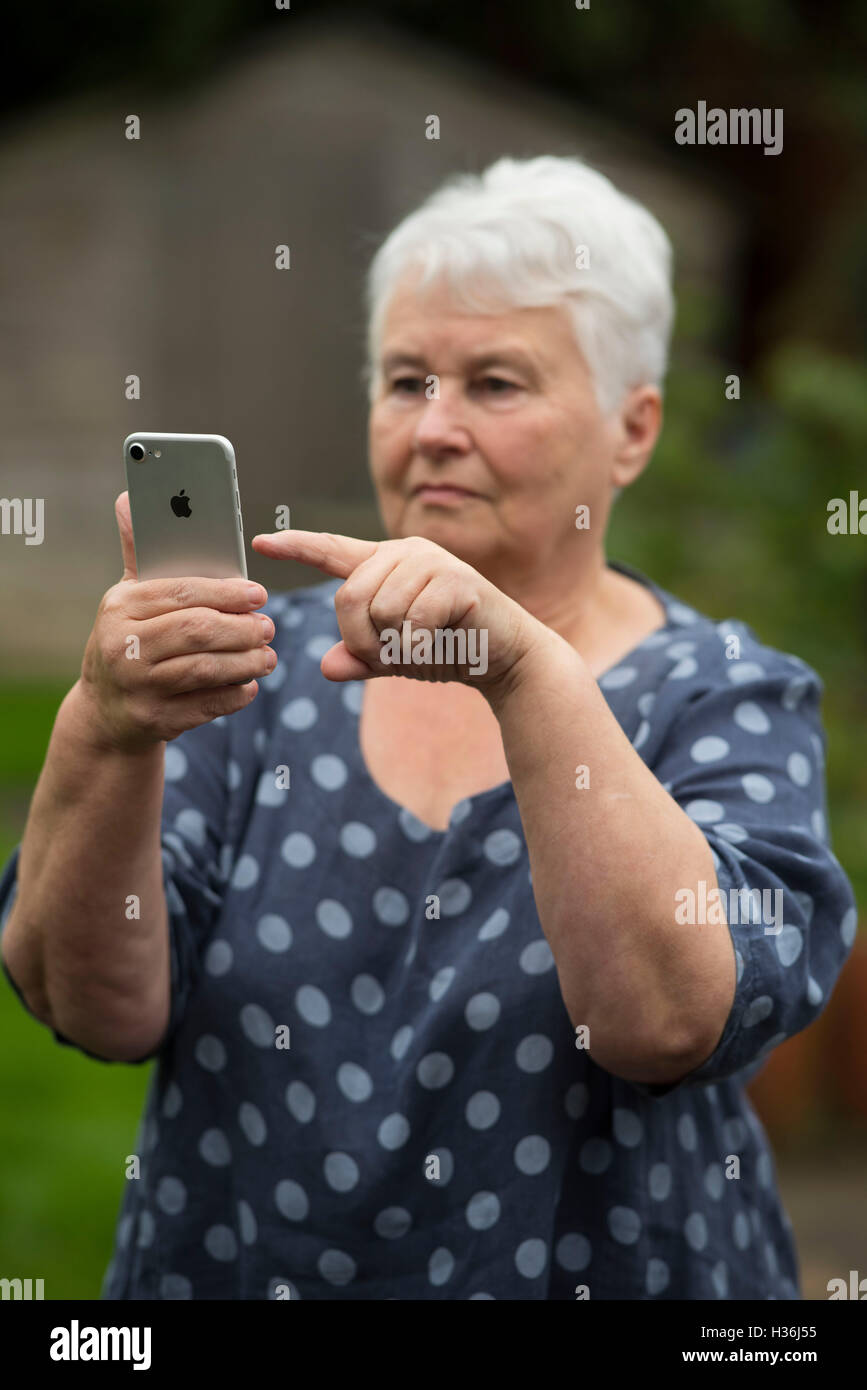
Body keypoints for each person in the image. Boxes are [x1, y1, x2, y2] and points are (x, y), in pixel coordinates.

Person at [0, 155, 856, 1300]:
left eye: (496, 383)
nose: (436, 426)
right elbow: (95, 1005)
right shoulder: (251, 664)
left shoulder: (725, 692)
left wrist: (522, 668)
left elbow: (664, 1021)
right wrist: (103, 729)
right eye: (407, 380)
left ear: (632, 431)